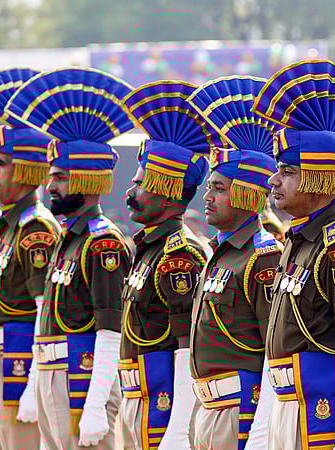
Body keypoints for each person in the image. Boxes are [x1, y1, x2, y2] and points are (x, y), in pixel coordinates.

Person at [253, 59, 335, 450]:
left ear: (321, 176)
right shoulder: (299, 240)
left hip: (325, 416)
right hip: (286, 408)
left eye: (288, 171)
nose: (273, 180)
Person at [6, 68, 135, 449]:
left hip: (79, 379)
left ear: (86, 180)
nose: (50, 185)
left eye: (60, 177)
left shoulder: (103, 243)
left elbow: (110, 331)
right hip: (51, 373)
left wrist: (96, 404)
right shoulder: (68, 238)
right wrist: (34, 383)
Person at [186, 75, 283, 450]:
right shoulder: (222, 253)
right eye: (209, 187)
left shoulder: (263, 257)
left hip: (242, 408)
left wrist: (260, 428)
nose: (207, 197)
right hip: (207, 405)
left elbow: (275, 353)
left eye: (219, 188)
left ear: (246, 192)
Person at [115, 80, 212, 450]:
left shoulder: (179, 255)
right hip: (136, 398)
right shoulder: (148, 247)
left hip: (162, 404)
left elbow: (187, 347)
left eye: (140, 184)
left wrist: (177, 427)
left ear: (166, 187)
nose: (129, 192)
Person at [0, 68, 61, 450]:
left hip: (19, 355)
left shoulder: (36, 228)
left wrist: (33, 384)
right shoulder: (6, 223)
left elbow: (45, 313)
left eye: (1, 163)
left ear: (25, 168)